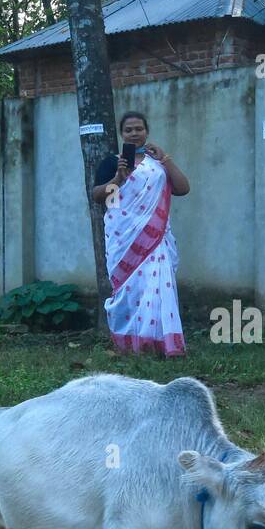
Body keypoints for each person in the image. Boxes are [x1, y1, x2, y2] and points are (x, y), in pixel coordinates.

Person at [90, 111, 192, 356]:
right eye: (129, 130)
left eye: (139, 129)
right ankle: (131, 344)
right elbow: (97, 196)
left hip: (155, 238)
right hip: (123, 238)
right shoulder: (112, 163)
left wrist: (166, 159)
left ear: (147, 131)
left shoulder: (157, 164)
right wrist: (118, 178)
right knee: (131, 290)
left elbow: (183, 188)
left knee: (159, 288)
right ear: (121, 134)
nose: (134, 133)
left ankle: (164, 344)